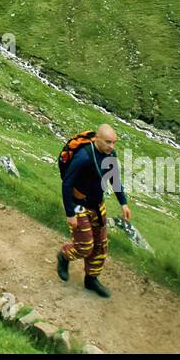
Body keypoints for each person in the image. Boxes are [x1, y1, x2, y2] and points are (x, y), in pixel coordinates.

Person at [56, 123, 130, 298]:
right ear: (97, 139)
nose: (111, 146)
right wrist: (70, 213)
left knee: (100, 245)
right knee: (85, 246)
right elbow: (67, 184)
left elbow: (115, 179)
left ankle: (91, 279)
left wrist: (124, 203)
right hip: (78, 204)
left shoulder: (110, 154)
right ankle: (64, 256)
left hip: (98, 204)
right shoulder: (83, 157)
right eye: (108, 142)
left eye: (114, 143)